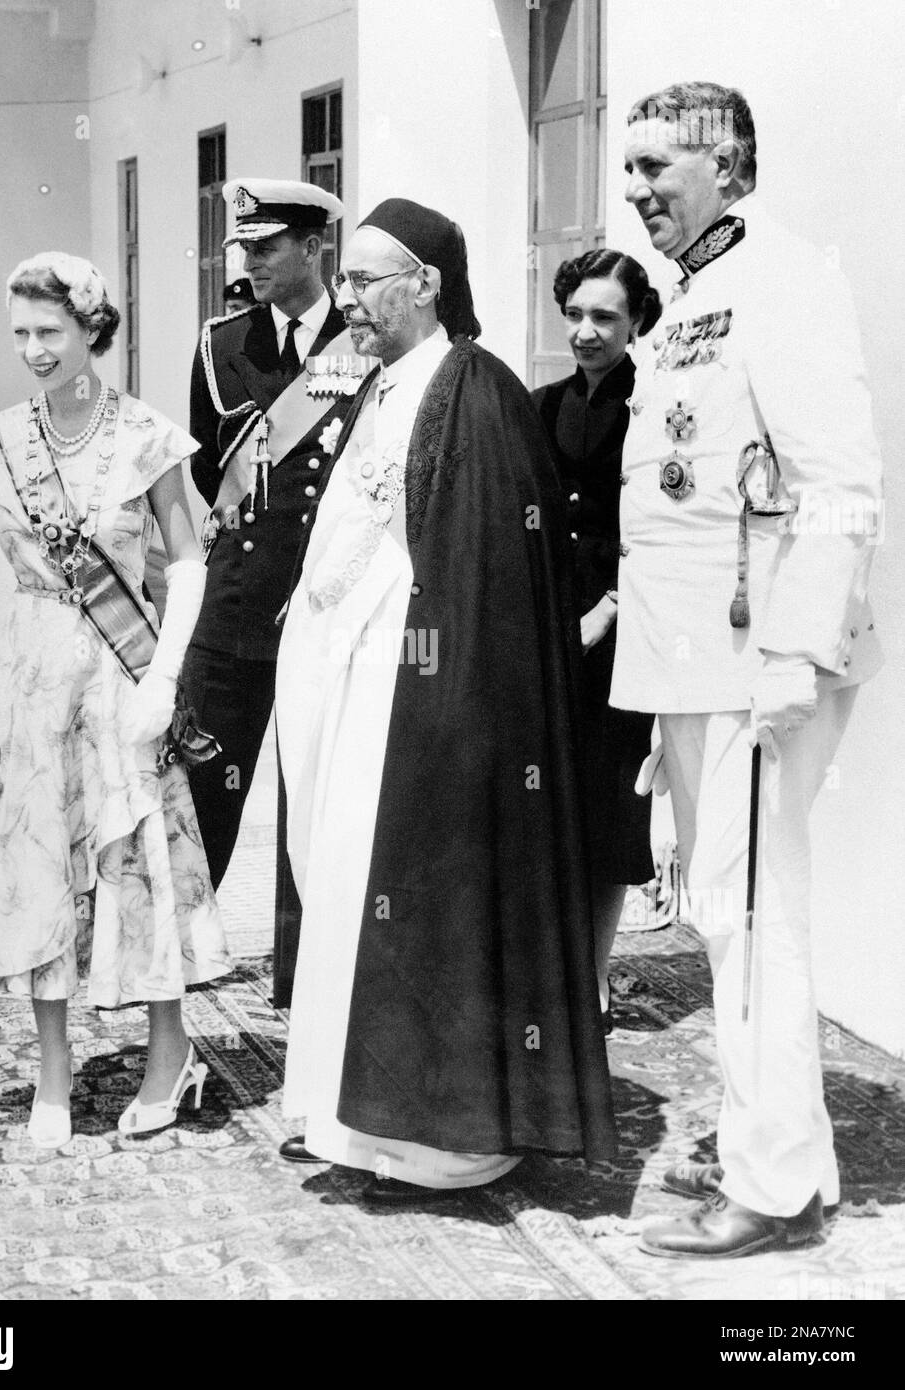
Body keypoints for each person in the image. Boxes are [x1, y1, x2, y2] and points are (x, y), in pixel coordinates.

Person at [275, 197, 617, 1205]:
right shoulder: (385, 388)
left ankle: (444, 1142)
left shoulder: (472, 390)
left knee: (430, 909)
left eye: (364, 280)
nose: (346, 299)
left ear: (423, 283)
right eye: (341, 280)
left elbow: (482, 586)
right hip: (367, 699)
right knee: (345, 893)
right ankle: (360, 1121)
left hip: (434, 712)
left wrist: (442, 711)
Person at [614, 83, 883, 1257]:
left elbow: (837, 484)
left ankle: (771, 1193)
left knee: (750, 921)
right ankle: (788, 1167)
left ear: (724, 170)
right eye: (626, 170)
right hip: (692, 667)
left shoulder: (778, 281)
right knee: (733, 920)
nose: (634, 191)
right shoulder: (690, 302)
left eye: (654, 170)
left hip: (755, 666)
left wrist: (789, 652)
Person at [0, 252, 230, 1150]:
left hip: (117, 684)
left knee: (139, 866)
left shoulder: (147, 437)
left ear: (93, 331)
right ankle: (52, 1077)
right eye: (20, 333)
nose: (32, 349)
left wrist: (166, 679)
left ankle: (168, 1055)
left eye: (49, 332)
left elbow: (186, 562)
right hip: (29, 684)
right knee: (35, 876)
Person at [182, 178, 365, 1006]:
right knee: (201, 786)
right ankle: (180, 960)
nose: (249, 262)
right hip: (237, 601)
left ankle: (304, 977)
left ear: (314, 248)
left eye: (265, 247)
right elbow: (201, 464)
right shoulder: (220, 343)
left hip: (328, 599)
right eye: (243, 249)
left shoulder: (362, 341)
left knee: (316, 793)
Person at [531, 250, 662, 1031]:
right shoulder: (539, 406)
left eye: (604, 317)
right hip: (551, 634)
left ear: (635, 323)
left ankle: (591, 976)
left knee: (609, 804)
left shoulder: (657, 405)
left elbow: (660, 531)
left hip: (625, 636)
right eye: (575, 314)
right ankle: (548, 965)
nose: (585, 331)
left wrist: (605, 612)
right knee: (547, 798)